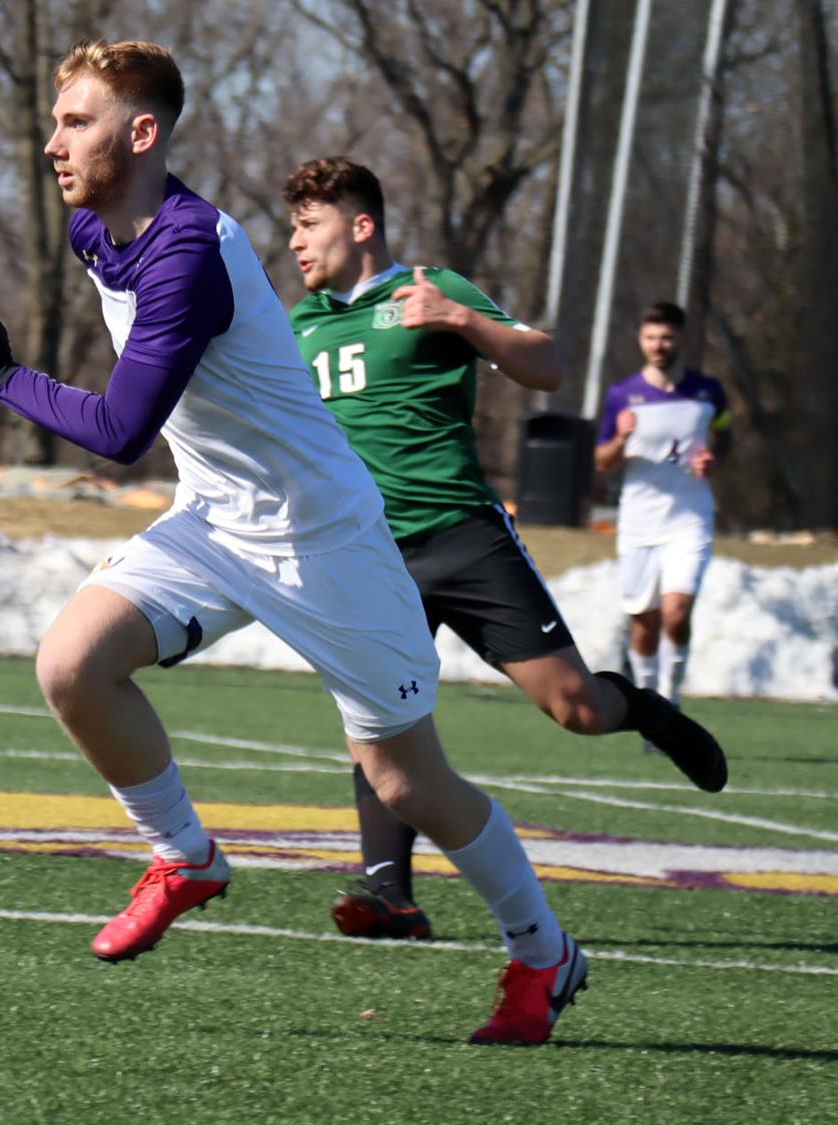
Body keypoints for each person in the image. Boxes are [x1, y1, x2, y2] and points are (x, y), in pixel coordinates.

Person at [0, 39, 585, 1046]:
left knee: (408, 781)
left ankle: (542, 955)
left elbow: (118, 433)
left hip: (322, 537)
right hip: (213, 520)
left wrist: (2, 377)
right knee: (70, 664)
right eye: (54, 121)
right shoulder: (93, 229)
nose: (50, 142)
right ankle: (184, 857)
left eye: (76, 122)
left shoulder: (187, 254)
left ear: (141, 132)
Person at [281, 159, 727, 942]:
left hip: (463, 537)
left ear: (361, 226)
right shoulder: (299, 325)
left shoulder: (432, 287)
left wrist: (461, 319)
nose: (294, 243)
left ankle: (644, 707)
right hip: (369, 557)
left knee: (575, 708)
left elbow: (546, 365)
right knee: (379, 720)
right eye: (291, 226)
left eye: (308, 224)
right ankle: (392, 893)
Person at [594, 303, 732, 715]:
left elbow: (724, 433)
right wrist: (619, 440)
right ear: (641, 339)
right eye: (651, 337)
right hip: (638, 522)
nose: (659, 345)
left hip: (689, 517)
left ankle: (671, 699)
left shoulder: (708, 392)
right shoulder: (623, 396)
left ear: (682, 339)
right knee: (645, 622)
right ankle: (649, 703)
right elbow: (603, 462)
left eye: (667, 337)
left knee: (677, 611)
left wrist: (715, 457)